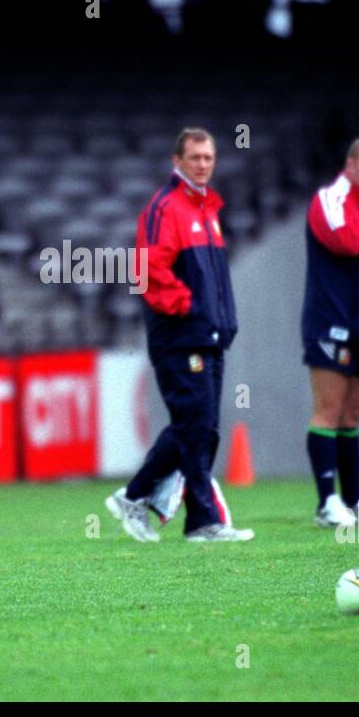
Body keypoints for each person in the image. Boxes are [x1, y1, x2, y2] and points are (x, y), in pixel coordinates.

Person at [105, 127, 253, 541]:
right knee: (197, 424)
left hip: (208, 335)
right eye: (195, 158)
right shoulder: (165, 207)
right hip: (180, 335)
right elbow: (148, 270)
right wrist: (190, 309)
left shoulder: (207, 210)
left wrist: (218, 320)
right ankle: (203, 520)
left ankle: (135, 497)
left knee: (199, 426)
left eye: (208, 157)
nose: (203, 164)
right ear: (177, 162)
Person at [302, 137, 359, 528]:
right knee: (329, 410)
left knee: (352, 414)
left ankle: (355, 500)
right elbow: (348, 242)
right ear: (351, 164)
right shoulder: (330, 199)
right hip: (332, 322)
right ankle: (328, 503)